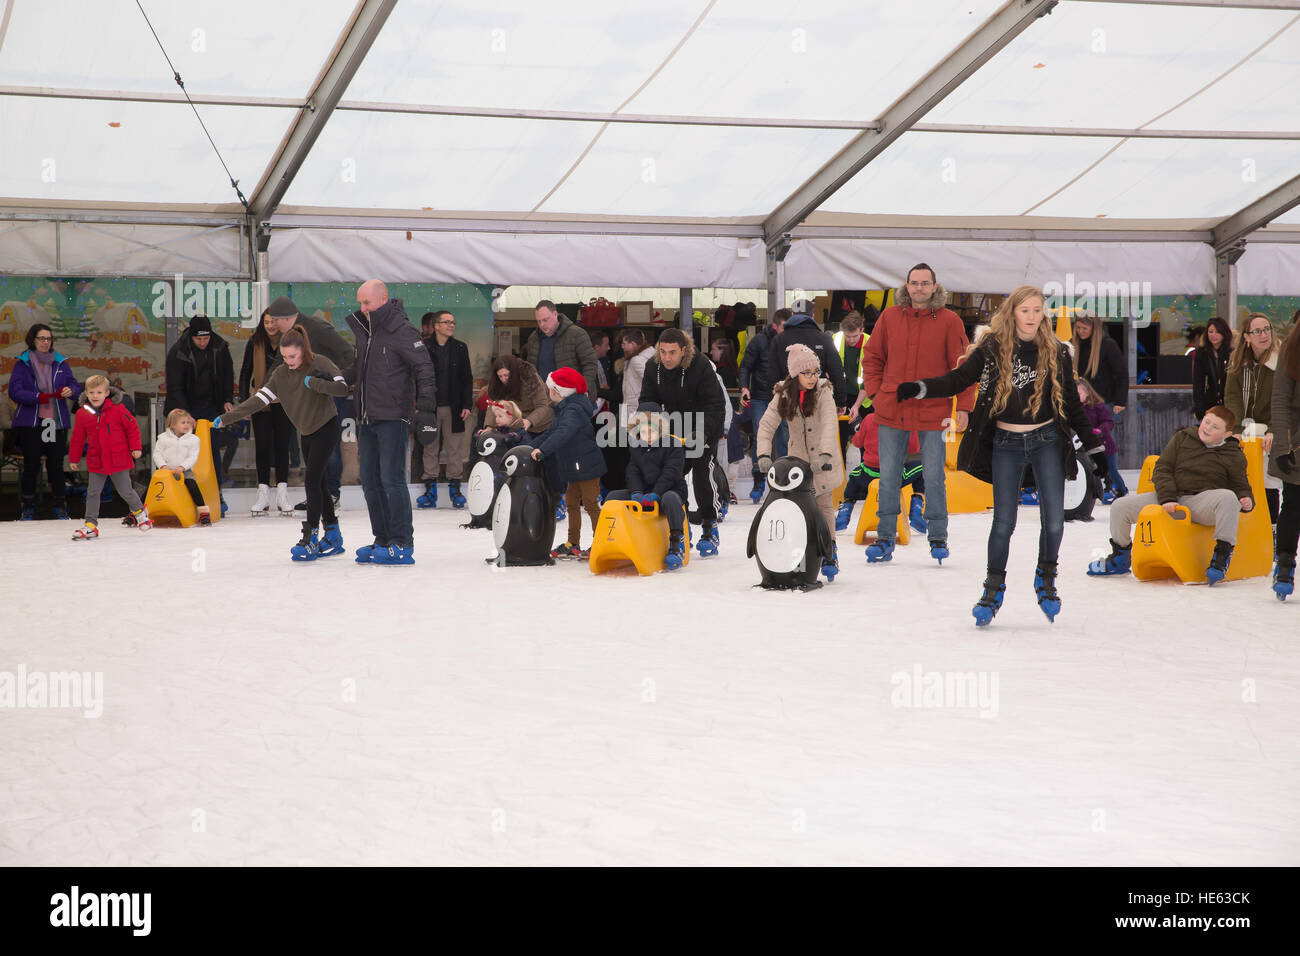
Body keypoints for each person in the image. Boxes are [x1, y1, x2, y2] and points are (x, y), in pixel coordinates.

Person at [896, 285, 1100, 626]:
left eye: (1037, 311)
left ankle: (1046, 580)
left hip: (1047, 440)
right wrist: (921, 388)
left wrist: (1095, 450)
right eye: (1025, 311)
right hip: (1006, 442)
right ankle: (993, 589)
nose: (1032, 317)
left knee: (1053, 521)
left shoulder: (1057, 352)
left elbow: (1073, 406)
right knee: (1004, 522)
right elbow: (960, 378)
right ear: (1012, 312)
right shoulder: (993, 347)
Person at [862, 263, 974, 566]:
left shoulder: (950, 321)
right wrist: (876, 393)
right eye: (915, 283)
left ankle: (938, 537)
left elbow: (963, 367)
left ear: (935, 287)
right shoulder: (889, 317)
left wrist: (964, 404)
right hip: (891, 409)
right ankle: (885, 538)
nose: (920, 288)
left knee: (935, 476)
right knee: (887, 477)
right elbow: (872, 358)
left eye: (925, 283)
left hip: (933, 409)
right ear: (907, 286)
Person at [216, 326, 352, 561]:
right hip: (307, 432)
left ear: (303, 351)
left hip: (327, 427)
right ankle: (333, 534)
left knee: (311, 480)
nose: (289, 361)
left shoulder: (319, 363)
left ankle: (311, 537)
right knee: (318, 483)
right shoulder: (280, 374)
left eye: (293, 356)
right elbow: (258, 400)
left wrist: (317, 384)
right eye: (285, 356)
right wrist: (227, 418)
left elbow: (341, 388)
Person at [1088, 407, 1253, 586]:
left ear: (1227, 433)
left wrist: (1246, 499)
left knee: (1228, 497)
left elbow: (1240, 485)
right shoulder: (1183, 438)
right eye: (1207, 422)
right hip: (1171, 496)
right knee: (1120, 506)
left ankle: (1221, 556)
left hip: (1201, 503)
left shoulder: (1232, 454)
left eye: (1215, 427)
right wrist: (1168, 498)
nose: (1207, 428)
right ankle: (1120, 556)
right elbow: (1163, 468)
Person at [343, 280, 437, 565]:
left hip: (394, 416)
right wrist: (337, 379)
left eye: (367, 303)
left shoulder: (402, 330)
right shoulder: (367, 331)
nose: (363, 308)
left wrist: (427, 410)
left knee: (391, 480)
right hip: (368, 416)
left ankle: (401, 542)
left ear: (383, 299)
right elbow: (360, 368)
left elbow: (424, 368)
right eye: (360, 303)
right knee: (370, 481)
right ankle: (382, 539)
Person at [757, 344, 846, 581]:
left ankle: (831, 550)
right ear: (795, 373)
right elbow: (766, 425)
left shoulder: (824, 391)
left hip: (823, 462)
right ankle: (799, 553)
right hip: (798, 464)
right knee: (799, 510)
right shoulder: (783, 394)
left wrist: (825, 454)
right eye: (807, 373)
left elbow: (829, 422)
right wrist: (764, 455)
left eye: (816, 371)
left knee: (824, 504)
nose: (812, 377)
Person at [266, 296, 357, 512]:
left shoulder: (317, 328)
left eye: (275, 320)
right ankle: (318, 494)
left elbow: (347, 352)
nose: (272, 325)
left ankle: (331, 494)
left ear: (285, 318)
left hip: (329, 394)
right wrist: (265, 390)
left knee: (328, 446)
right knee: (312, 445)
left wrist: (339, 380)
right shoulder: (291, 335)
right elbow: (280, 365)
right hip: (310, 395)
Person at [639, 328, 726, 555]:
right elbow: (647, 400)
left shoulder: (700, 366)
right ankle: (679, 525)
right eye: (663, 352)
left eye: (672, 353)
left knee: (701, 476)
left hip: (703, 426)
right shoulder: (653, 366)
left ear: (683, 350)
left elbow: (714, 404)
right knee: (671, 476)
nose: (667, 358)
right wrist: (648, 426)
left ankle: (709, 525)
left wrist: (701, 434)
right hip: (673, 428)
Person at [530, 368, 606, 559]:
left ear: (557, 391)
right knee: (571, 502)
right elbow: (551, 432)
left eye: (550, 390)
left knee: (590, 503)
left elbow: (563, 433)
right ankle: (573, 542)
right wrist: (529, 447)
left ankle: (601, 542)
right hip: (574, 466)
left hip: (586, 466)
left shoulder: (573, 410)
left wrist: (543, 451)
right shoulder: (565, 408)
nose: (549, 394)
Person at [604, 402, 689, 570]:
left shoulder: (673, 445)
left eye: (652, 431)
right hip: (643, 492)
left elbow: (670, 473)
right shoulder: (636, 447)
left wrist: (656, 493)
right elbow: (633, 471)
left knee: (670, 498)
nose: (648, 435)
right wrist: (636, 492)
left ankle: (676, 542)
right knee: (613, 497)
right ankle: (607, 539)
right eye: (643, 431)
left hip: (670, 490)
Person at [8, 323, 80, 520]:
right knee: (31, 465)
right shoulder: (22, 363)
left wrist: (71, 391)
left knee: (56, 465)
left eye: (48, 339)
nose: (45, 342)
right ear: (33, 340)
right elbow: (14, 391)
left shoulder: (60, 362)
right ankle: (28, 507)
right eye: (41, 338)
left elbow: (75, 385)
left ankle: (60, 507)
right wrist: (37, 397)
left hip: (54, 423)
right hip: (31, 424)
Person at [163, 315, 234, 511]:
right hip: (185, 406)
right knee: (182, 451)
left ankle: (216, 493)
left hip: (211, 406)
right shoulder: (178, 352)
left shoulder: (220, 347)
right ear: (191, 336)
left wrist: (227, 399)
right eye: (198, 339)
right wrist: (185, 415)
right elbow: (175, 386)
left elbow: (228, 376)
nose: (203, 342)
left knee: (211, 450)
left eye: (206, 338)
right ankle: (183, 494)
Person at [69, 375, 150, 538]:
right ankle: (90, 524)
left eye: (99, 392)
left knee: (126, 491)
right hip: (96, 460)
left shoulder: (118, 409)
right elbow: (77, 437)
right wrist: (74, 458)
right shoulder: (82, 414)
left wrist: (135, 447)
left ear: (107, 393)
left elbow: (132, 428)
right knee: (93, 492)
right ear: (86, 392)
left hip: (118, 459)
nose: (95, 396)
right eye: (91, 392)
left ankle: (141, 514)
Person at [415, 310, 474, 510]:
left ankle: (455, 490)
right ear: (436, 325)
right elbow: (414, 377)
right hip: (429, 408)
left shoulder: (460, 348)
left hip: (454, 407)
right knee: (429, 448)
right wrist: (416, 405)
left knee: (454, 449)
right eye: (446, 322)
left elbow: (467, 379)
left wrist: (467, 405)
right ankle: (430, 491)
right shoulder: (423, 347)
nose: (451, 325)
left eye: (453, 322)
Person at [1224, 312, 1279, 523]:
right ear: (1247, 337)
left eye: (1267, 329)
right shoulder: (1238, 362)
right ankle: (1242, 528)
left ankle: (1272, 530)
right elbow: (1232, 397)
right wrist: (1236, 430)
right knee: (1240, 478)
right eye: (1257, 331)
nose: (1264, 334)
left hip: (1274, 429)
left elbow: (1283, 401)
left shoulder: (1280, 362)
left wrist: (1274, 429)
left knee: (1268, 481)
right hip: (1245, 430)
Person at [238, 308, 293, 515]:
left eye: (274, 322)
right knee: (262, 447)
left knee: (282, 446)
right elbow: (245, 373)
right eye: (267, 322)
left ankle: (282, 492)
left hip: (285, 402)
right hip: (261, 401)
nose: (270, 325)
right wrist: (245, 403)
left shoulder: (289, 342)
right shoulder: (255, 342)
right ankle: (262, 493)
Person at [1071, 311, 1129, 497]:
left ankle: (1110, 483)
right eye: (1078, 328)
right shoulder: (1075, 346)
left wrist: (1120, 400)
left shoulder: (1108, 345)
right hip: (1081, 404)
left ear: (1094, 329)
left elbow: (1121, 374)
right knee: (1081, 443)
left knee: (1102, 443)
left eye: (1084, 328)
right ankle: (1090, 482)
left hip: (1104, 402)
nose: (1080, 331)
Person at [836, 414, 924, 532]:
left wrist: (859, 429)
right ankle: (916, 513)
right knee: (923, 469)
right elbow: (913, 449)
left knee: (854, 477)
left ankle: (843, 515)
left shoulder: (869, 419)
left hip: (869, 474)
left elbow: (857, 442)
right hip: (894, 475)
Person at [740, 308, 788, 501]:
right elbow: (745, 366)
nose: (789, 330)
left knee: (784, 434)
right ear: (775, 326)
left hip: (784, 396)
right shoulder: (759, 341)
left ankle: (783, 478)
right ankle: (759, 478)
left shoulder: (791, 340)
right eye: (785, 326)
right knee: (762, 435)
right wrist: (744, 388)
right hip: (760, 396)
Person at [1268, 311, 1300, 600]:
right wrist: (1282, 446)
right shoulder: (1292, 349)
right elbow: (1279, 401)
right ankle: (1285, 564)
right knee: (1293, 504)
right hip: (1297, 442)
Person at [767, 298, 847, 411]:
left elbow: (772, 374)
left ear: (792, 315)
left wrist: (774, 401)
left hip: (788, 403)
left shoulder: (778, 340)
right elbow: (837, 372)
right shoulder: (824, 339)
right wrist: (840, 401)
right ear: (813, 316)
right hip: (817, 401)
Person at [525, 300, 599, 399]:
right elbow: (530, 370)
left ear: (555, 314)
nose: (542, 324)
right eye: (539, 321)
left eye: (545, 320)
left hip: (573, 398)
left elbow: (590, 364)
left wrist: (583, 390)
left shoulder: (577, 334)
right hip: (545, 399)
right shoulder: (534, 338)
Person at [153, 409, 212, 525]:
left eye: (188, 422)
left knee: (192, 485)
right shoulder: (163, 438)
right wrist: (162, 466)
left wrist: (182, 467)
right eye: (183, 423)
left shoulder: (193, 440)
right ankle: (138, 512)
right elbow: (157, 453)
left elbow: (193, 456)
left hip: (184, 471)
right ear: (172, 425)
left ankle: (203, 512)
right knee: (154, 487)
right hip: (166, 471)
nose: (187, 425)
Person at [1077, 378, 1118, 501]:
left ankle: (1115, 489)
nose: (1076, 397)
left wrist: (1100, 430)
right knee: (1089, 468)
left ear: (1087, 393)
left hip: (1105, 445)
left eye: (1079, 394)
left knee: (1110, 469)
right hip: (1086, 445)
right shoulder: (1076, 409)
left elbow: (1108, 422)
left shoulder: (1098, 407)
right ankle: (1094, 490)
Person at [838, 311, 870, 454]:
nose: (850, 340)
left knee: (867, 441)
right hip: (842, 398)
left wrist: (856, 406)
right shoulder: (836, 340)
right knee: (840, 438)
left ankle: (868, 473)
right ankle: (840, 473)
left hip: (865, 399)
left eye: (854, 336)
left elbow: (869, 379)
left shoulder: (871, 343)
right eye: (847, 336)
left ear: (862, 331)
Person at [1192, 316, 1233, 420]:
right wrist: (1199, 406)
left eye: (1217, 332)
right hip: (1210, 402)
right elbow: (1198, 381)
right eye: (1210, 332)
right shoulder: (1202, 353)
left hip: (1229, 401)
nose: (1213, 335)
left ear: (1224, 333)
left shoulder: (1231, 353)